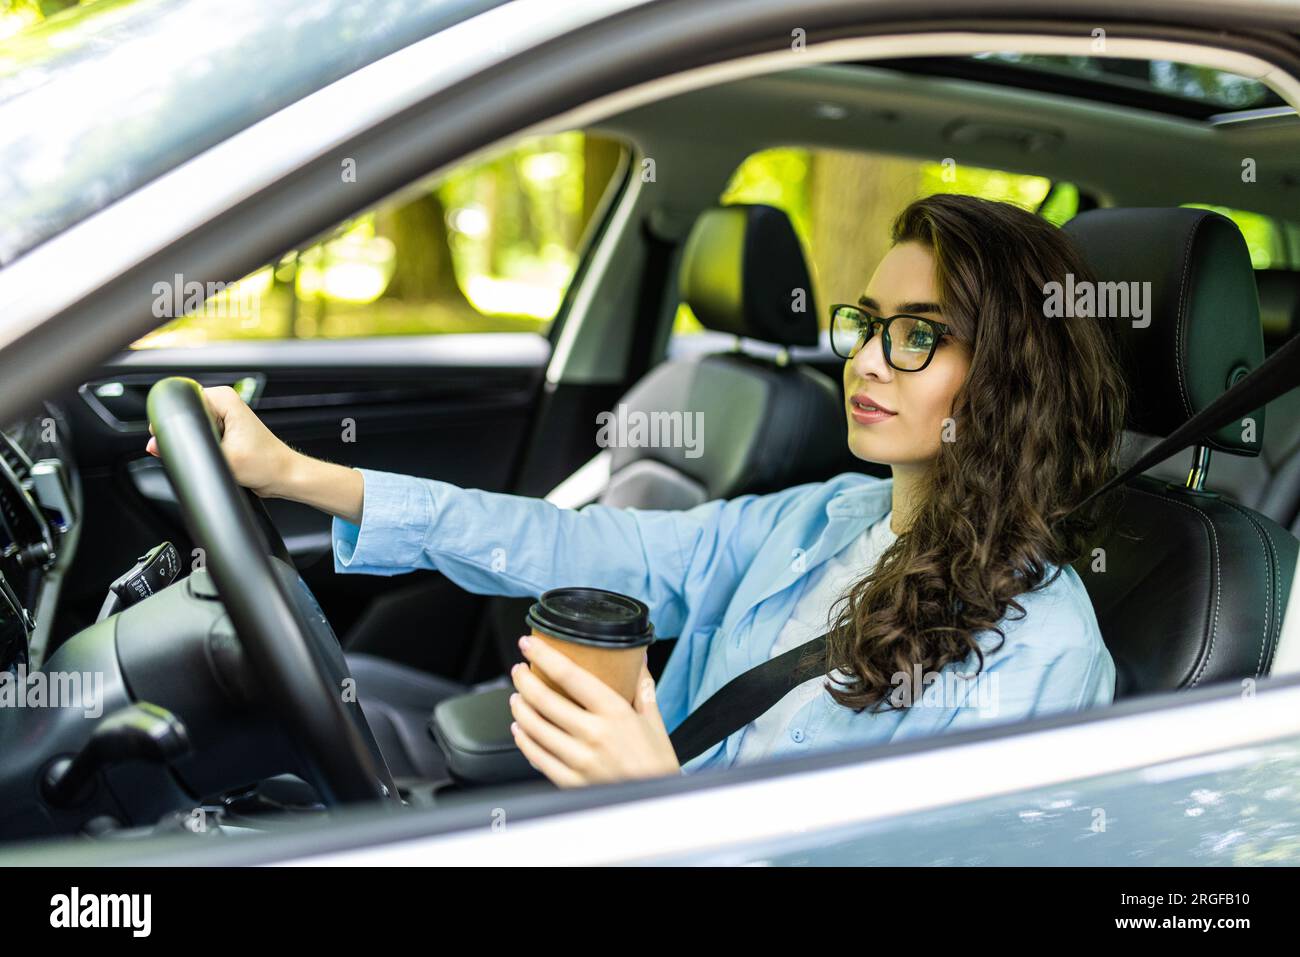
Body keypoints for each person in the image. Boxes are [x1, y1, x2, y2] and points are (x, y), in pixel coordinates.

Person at [147, 194, 1127, 789]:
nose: (864, 360)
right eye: (864, 321)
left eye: (916, 333)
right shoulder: (819, 517)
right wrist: (296, 475)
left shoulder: (1046, 651)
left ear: (1010, 373)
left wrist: (661, 802)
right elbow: (573, 547)